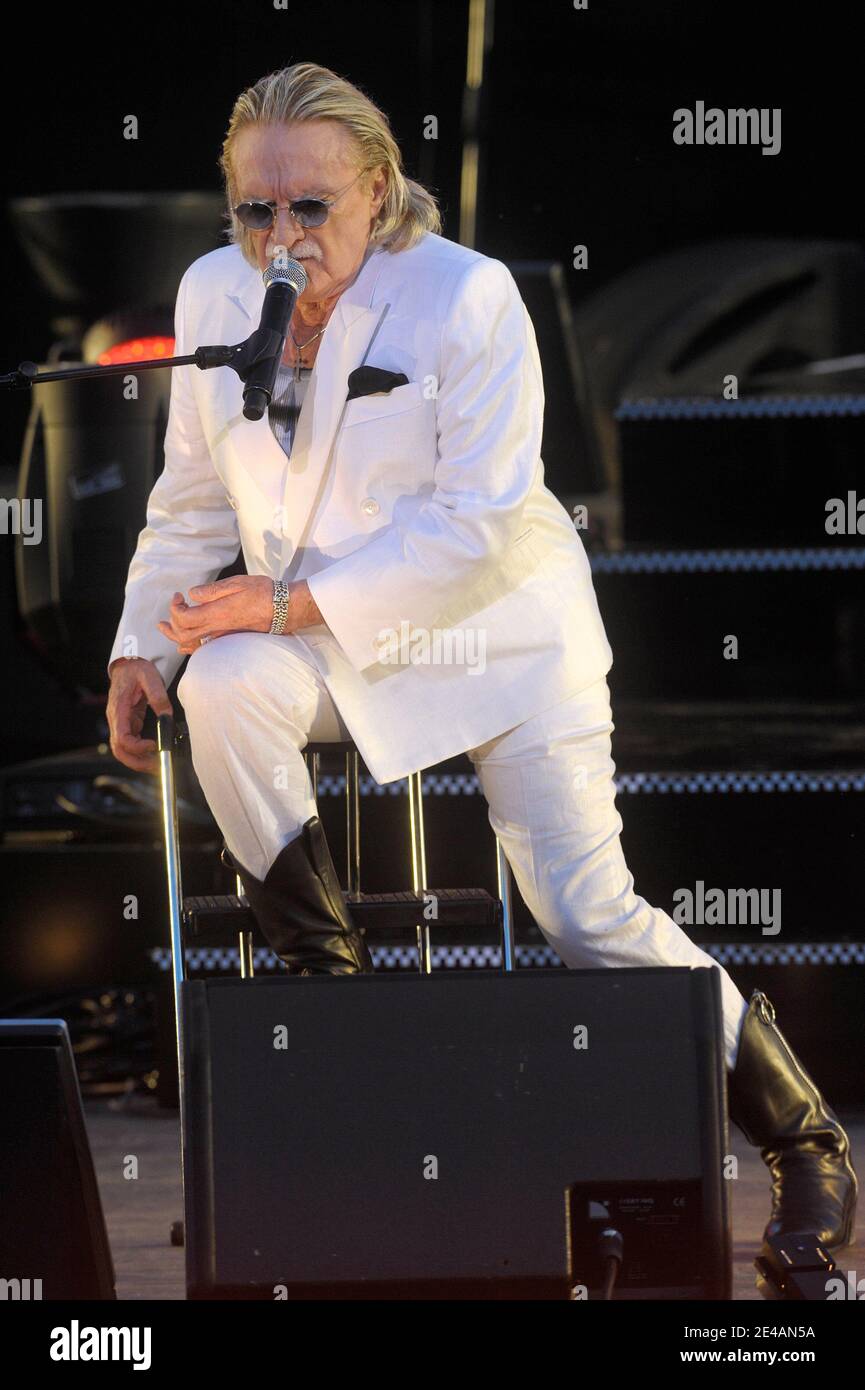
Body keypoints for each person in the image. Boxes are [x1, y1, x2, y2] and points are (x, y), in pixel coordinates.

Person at [105, 61, 856, 1254]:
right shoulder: (213, 298)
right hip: (323, 636)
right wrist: (143, 644)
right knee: (226, 681)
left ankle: (804, 1137)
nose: (281, 234)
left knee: (585, 910)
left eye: (311, 207)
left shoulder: (468, 296)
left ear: (379, 188)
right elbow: (192, 495)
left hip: (493, 631)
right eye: (257, 209)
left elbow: (479, 520)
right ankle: (345, 1028)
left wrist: (287, 599)